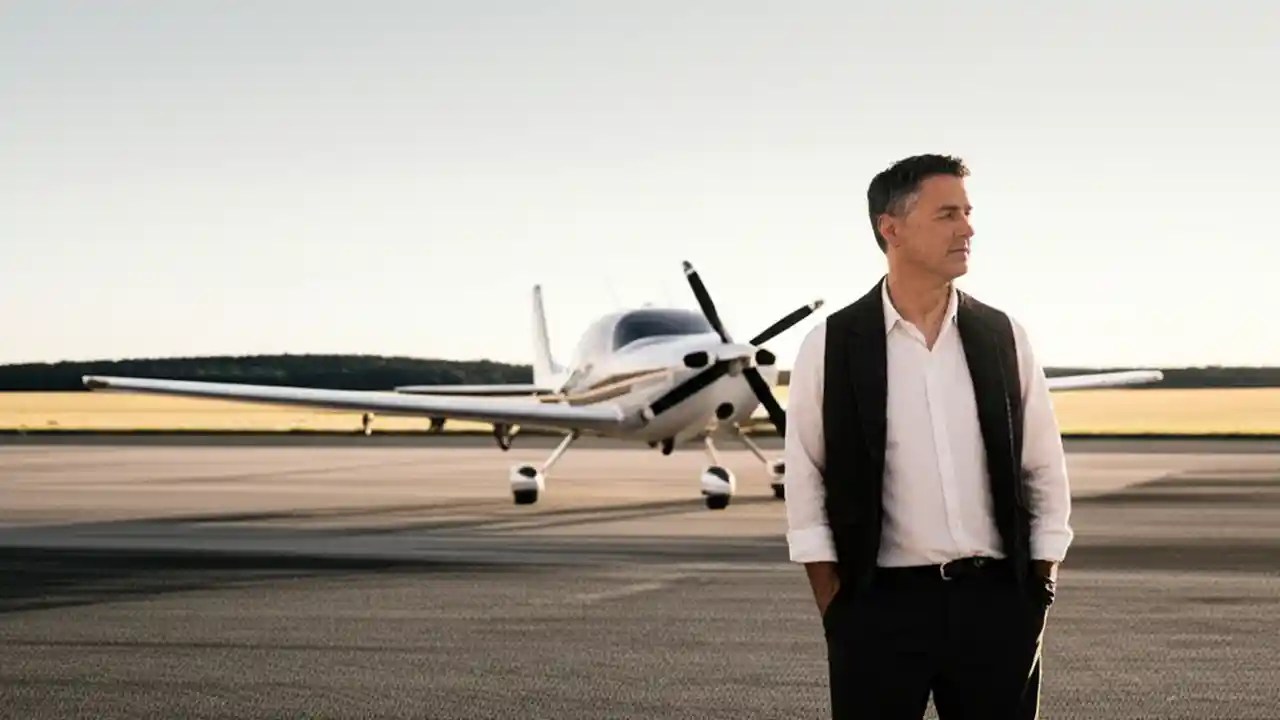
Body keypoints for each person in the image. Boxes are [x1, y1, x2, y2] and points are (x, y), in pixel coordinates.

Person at [783, 154, 1071, 719]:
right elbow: (806, 477)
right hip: (878, 611)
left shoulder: (1004, 337)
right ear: (891, 229)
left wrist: (1039, 591)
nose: (967, 228)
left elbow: (1043, 468)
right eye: (947, 214)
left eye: (967, 212)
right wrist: (837, 609)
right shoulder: (831, 344)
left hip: (997, 609)